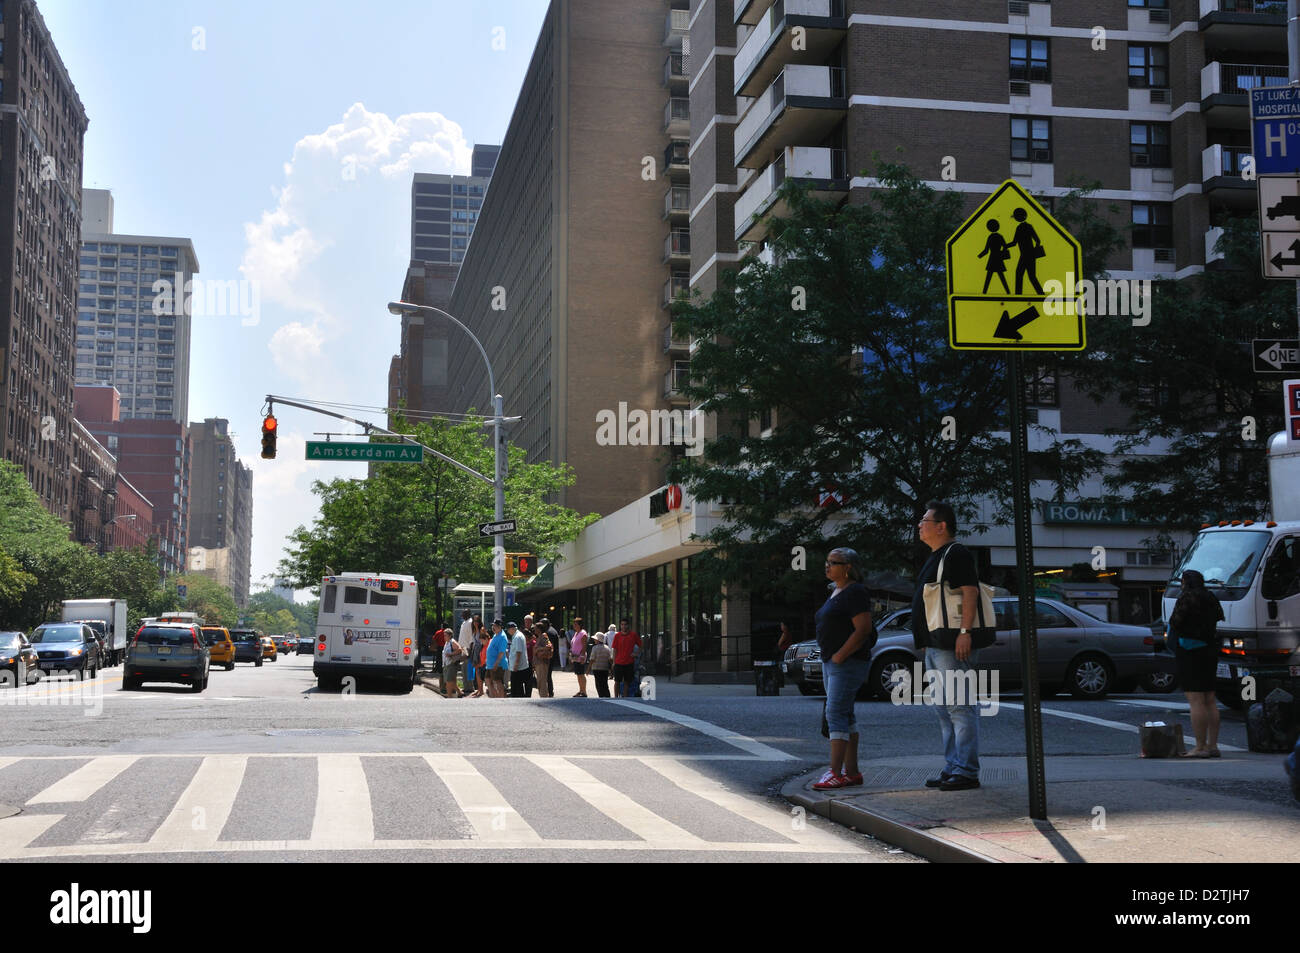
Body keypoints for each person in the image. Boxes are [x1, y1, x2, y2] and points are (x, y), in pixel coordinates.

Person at [912, 500, 993, 791]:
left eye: (925, 520)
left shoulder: (956, 553)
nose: (920, 525)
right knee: (944, 710)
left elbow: (969, 592)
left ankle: (967, 771)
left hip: (950, 644)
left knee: (959, 707)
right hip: (936, 646)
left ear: (941, 526)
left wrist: (964, 632)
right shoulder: (937, 555)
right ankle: (953, 766)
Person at [809, 548, 875, 791]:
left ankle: (835, 773)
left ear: (848, 567)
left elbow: (863, 629)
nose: (827, 566)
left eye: (834, 563)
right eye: (827, 562)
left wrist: (840, 655)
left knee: (835, 714)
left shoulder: (855, 591)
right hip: (833, 662)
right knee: (846, 715)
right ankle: (852, 772)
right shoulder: (836, 591)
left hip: (847, 663)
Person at [1169, 569, 1225, 758]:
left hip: (1190, 651)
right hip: (1209, 650)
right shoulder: (1210, 597)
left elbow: (1175, 622)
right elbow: (1219, 618)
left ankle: (1200, 747)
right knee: (1209, 698)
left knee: (1196, 700)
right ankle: (1213, 745)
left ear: (1185, 582)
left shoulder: (1186, 598)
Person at [611, 618, 641, 698]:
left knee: (627, 682)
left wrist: (636, 653)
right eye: (622, 624)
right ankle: (615, 697)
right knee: (617, 681)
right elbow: (615, 649)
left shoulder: (633, 635)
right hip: (618, 662)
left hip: (629, 662)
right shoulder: (617, 635)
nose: (623, 626)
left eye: (625, 624)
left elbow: (641, 645)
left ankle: (625, 697)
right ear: (620, 626)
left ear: (628, 625)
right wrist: (614, 662)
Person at [485, 620, 510, 698]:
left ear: (499, 627)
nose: (493, 627)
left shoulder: (502, 637)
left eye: (495, 626)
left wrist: (496, 663)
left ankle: (501, 698)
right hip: (490, 664)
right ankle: (493, 697)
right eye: (493, 626)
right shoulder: (496, 635)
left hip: (498, 664)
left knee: (497, 681)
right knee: (487, 679)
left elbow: (501, 652)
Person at [507, 621, 530, 698]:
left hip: (518, 667)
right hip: (518, 666)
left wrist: (516, 664)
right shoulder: (518, 635)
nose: (508, 631)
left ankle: (518, 699)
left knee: (517, 685)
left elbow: (519, 651)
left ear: (512, 629)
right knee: (517, 685)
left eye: (508, 629)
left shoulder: (517, 637)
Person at [442, 629, 466, 698]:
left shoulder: (452, 642)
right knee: (450, 681)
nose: (444, 637)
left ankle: (449, 696)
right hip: (446, 664)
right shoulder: (447, 642)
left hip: (451, 664)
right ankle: (459, 692)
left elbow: (459, 649)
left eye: (445, 635)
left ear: (450, 635)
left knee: (449, 681)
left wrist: (450, 654)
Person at [588, 632, 613, 697]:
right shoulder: (607, 648)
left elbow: (592, 659)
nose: (594, 640)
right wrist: (612, 669)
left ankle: (601, 696)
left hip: (596, 669)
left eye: (595, 639)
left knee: (598, 684)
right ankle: (607, 696)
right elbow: (610, 659)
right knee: (605, 683)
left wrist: (588, 669)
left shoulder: (595, 648)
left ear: (598, 640)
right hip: (605, 669)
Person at [570, 617, 589, 697]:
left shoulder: (583, 633)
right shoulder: (576, 633)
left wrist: (581, 656)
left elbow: (584, 646)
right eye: (574, 624)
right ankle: (581, 690)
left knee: (581, 674)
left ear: (580, 625)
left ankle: (584, 691)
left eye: (576, 624)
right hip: (575, 657)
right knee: (578, 674)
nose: (574, 625)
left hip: (580, 657)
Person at [533, 625, 554, 697]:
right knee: (539, 682)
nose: (534, 630)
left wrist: (538, 649)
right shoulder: (539, 637)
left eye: (535, 628)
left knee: (542, 682)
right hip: (538, 663)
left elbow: (549, 647)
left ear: (539, 629)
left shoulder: (544, 636)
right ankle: (543, 696)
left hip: (542, 662)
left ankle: (544, 698)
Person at [542, 618, 561, 698]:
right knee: (548, 675)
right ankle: (550, 691)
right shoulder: (551, 630)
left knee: (547, 675)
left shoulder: (549, 632)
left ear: (545, 624)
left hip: (550, 657)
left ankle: (550, 692)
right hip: (552, 656)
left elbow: (551, 646)